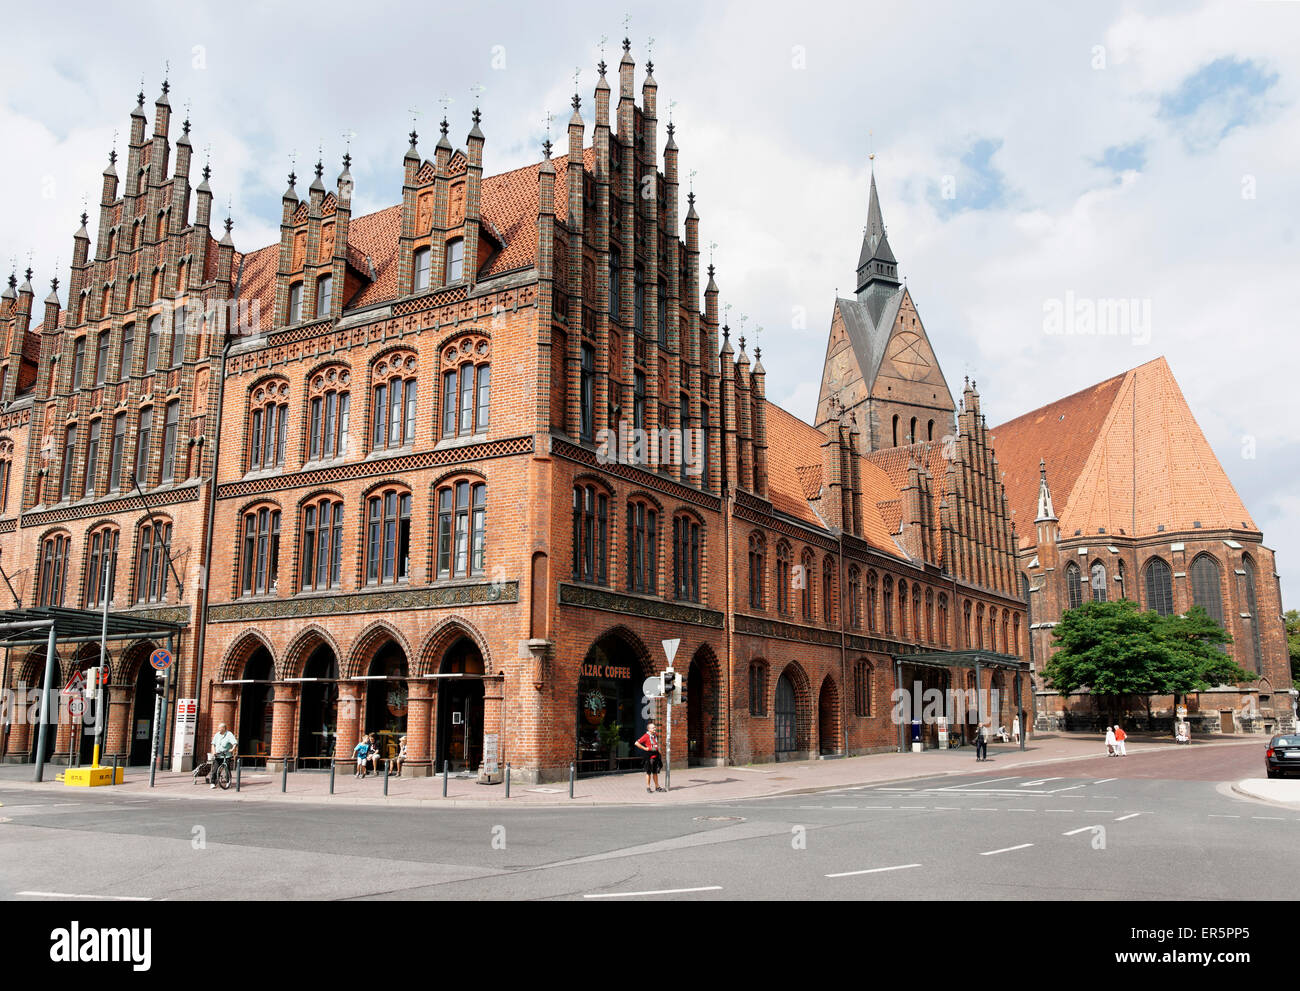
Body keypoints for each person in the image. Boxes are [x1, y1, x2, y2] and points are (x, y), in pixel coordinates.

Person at [634, 720, 665, 793]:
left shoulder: (655, 735)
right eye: (653, 728)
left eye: (655, 728)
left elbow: (655, 744)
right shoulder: (646, 736)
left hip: (655, 755)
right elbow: (636, 743)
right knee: (648, 772)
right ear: (649, 729)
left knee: (655, 772)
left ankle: (657, 787)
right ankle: (648, 787)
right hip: (649, 756)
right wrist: (645, 748)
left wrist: (658, 751)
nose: (655, 729)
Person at [209, 722, 237, 789]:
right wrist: (213, 751)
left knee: (227, 769)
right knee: (215, 769)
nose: (218, 730)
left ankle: (228, 782)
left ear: (224, 728)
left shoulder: (229, 734)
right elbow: (213, 744)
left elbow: (235, 743)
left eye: (220, 728)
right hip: (218, 755)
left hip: (226, 755)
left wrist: (232, 749)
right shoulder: (217, 735)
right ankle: (212, 783)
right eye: (218, 728)